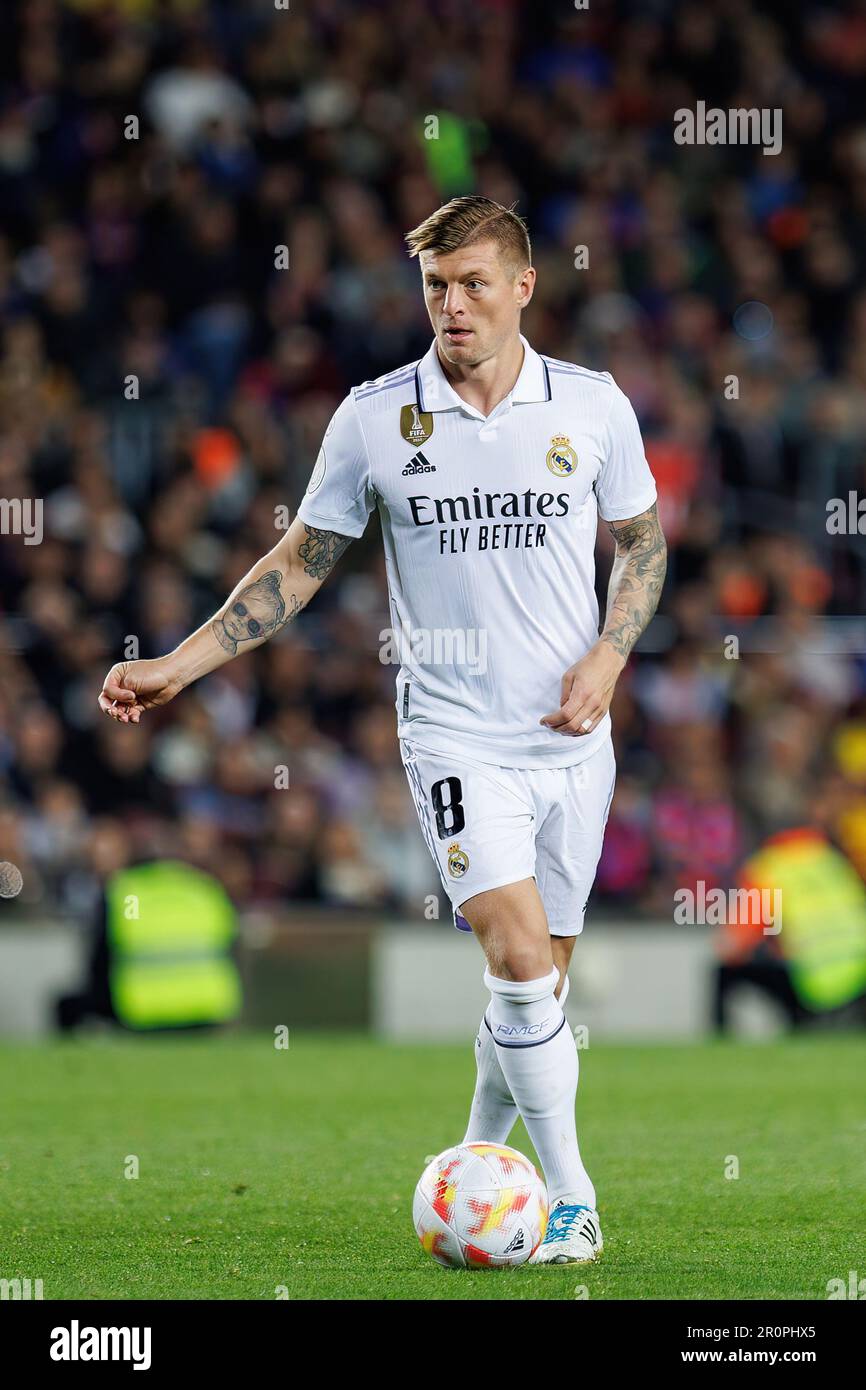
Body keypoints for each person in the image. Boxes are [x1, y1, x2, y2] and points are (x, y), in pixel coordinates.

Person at [98, 196, 667, 1264]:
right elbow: (299, 565)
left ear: (523, 286)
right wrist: (177, 661)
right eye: (435, 287)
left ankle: (473, 1159)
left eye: (471, 284)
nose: (450, 305)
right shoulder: (373, 417)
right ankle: (571, 1199)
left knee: (535, 981)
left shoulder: (589, 408)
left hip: (572, 744)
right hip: (453, 733)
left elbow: (642, 545)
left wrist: (608, 652)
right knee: (510, 949)